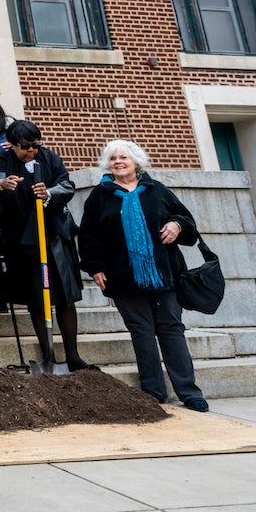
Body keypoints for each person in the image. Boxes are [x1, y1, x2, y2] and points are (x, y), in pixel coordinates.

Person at [79, 139, 209, 411]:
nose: (118, 162)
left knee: (171, 329)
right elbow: (89, 237)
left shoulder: (157, 190)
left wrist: (176, 225)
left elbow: (188, 222)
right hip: (122, 276)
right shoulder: (99, 196)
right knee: (141, 331)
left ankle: (189, 391)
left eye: (123, 157)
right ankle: (153, 391)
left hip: (164, 274)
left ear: (136, 161)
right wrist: (95, 267)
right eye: (113, 158)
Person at [0, 120, 93, 371]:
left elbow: (67, 186)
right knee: (36, 297)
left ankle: (73, 355)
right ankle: (48, 355)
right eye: (25, 146)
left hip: (54, 235)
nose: (31, 151)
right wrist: (0, 186)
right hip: (21, 239)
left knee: (65, 296)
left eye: (35, 145)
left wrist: (49, 193)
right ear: (12, 144)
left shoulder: (50, 159)